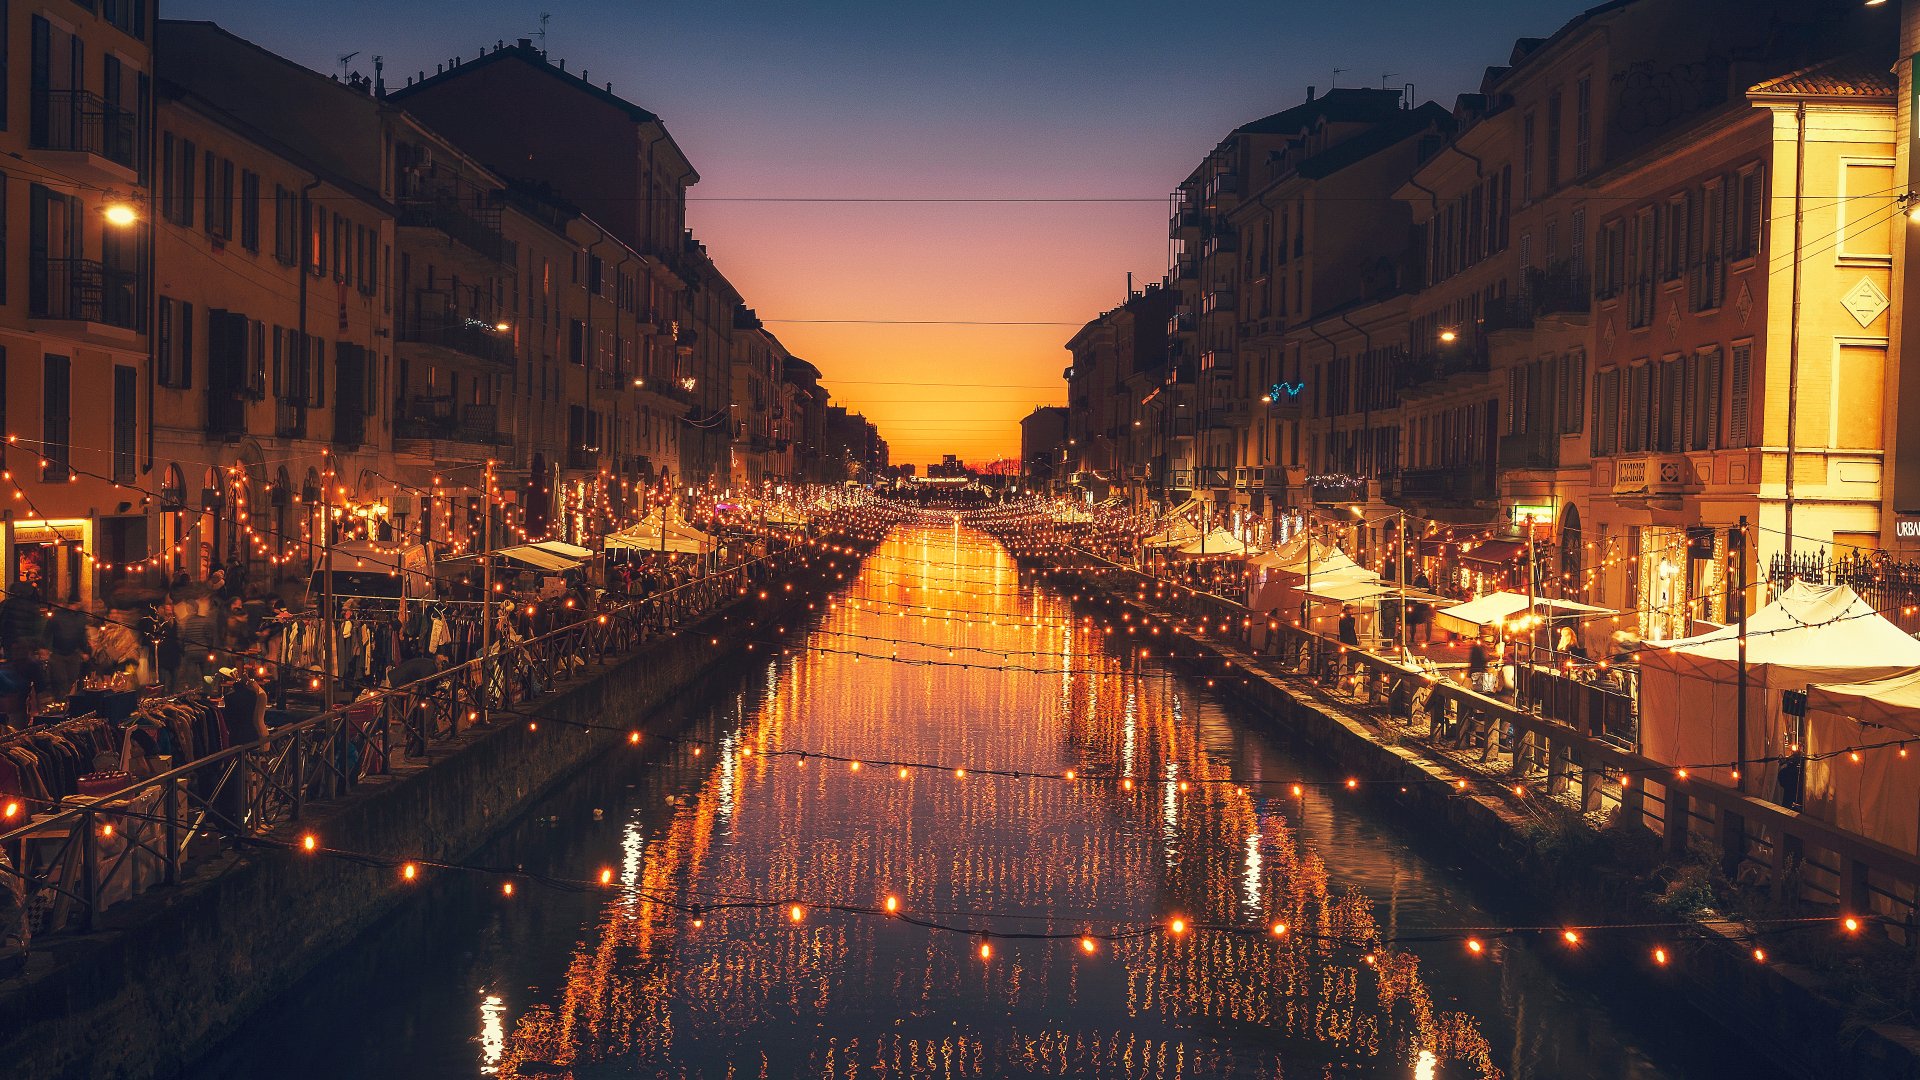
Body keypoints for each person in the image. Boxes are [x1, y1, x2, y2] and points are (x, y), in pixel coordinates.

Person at [47, 601, 91, 695]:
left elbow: (81, 635)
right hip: (58, 653)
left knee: (72, 679)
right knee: (61, 679)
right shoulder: (58, 616)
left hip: (73, 653)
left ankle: (69, 698)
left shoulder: (80, 618)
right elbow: (48, 632)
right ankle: (63, 699)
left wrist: (84, 650)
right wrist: (45, 648)